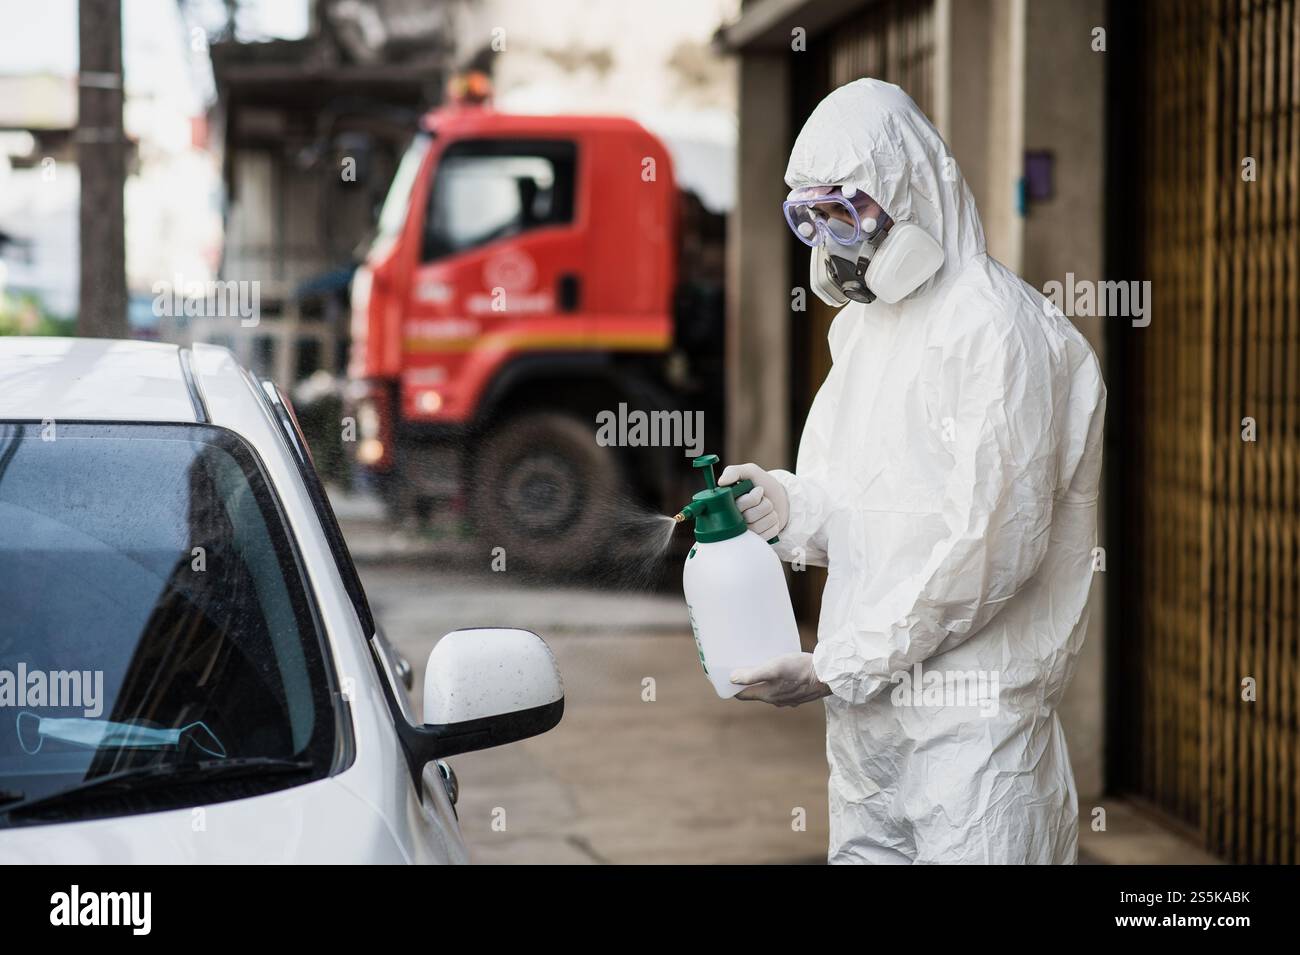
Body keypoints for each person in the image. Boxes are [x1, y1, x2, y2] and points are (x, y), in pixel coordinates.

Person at [719, 78, 1106, 865]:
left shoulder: (996, 328)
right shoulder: (865, 332)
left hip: (975, 735)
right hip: (870, 733)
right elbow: (859, 507)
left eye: (848, 211)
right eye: (813, 219)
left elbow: (990, 548)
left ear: (911, 188)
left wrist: (837, 662)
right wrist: (784, 503)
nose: (837, 240)